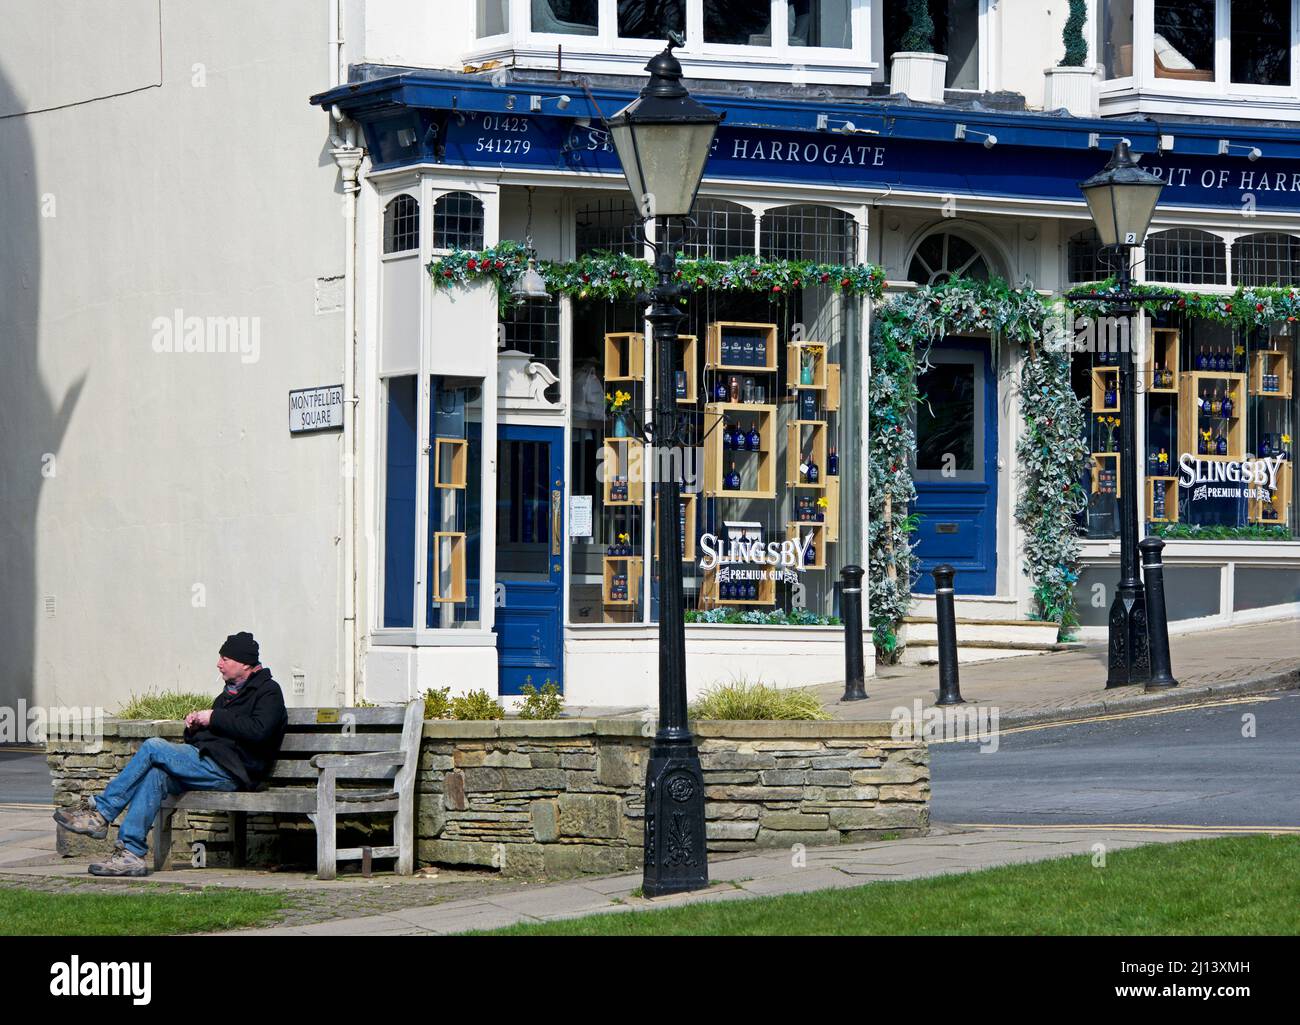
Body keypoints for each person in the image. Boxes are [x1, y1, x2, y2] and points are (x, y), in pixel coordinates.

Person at [54, 631, 288, 877]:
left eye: (226, 658)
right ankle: (131, 854)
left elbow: (260, 732)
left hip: (235, 772)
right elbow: (211, 740)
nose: (219, 664)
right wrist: (196, 727)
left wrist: (214, 718)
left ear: (245, 663)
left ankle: (102, 813)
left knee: (154, 746)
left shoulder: (268, 692)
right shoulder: (226, 695)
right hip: (210, 764)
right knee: (156, 774)